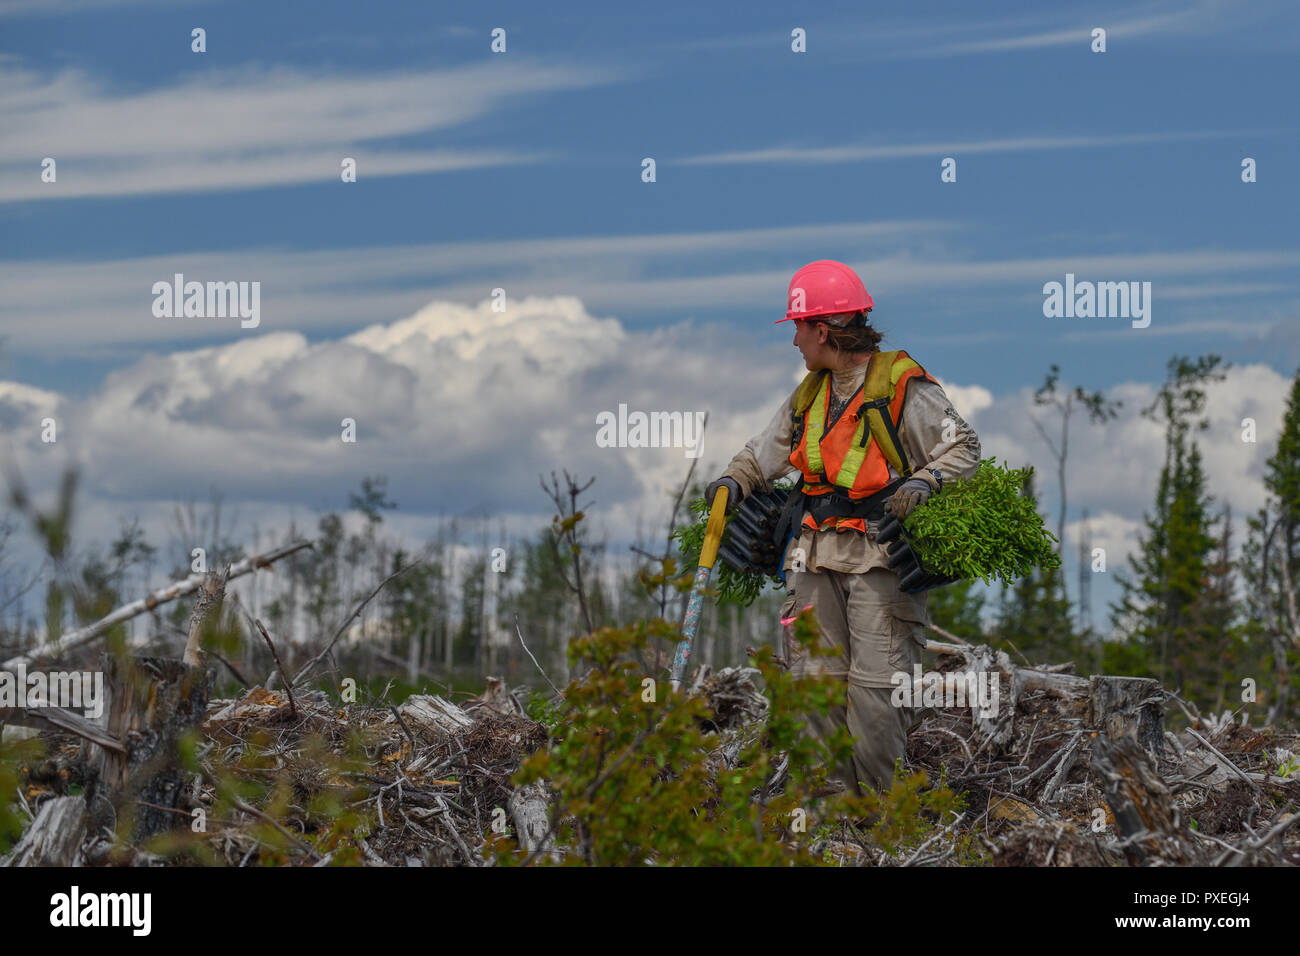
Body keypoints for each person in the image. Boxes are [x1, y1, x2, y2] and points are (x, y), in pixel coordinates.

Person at [706, 259, 982, 795]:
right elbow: (763, 453)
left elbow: (964, 446)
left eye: (798, 328)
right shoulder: (809, 393)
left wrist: (925, 484)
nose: (794, 342)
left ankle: (882, 824)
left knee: (878, 695)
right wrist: (732, 481)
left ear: (824, 330)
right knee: (813, 690)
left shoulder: (905, 388)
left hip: (880, 559)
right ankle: (828, 826)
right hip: (810, 556)